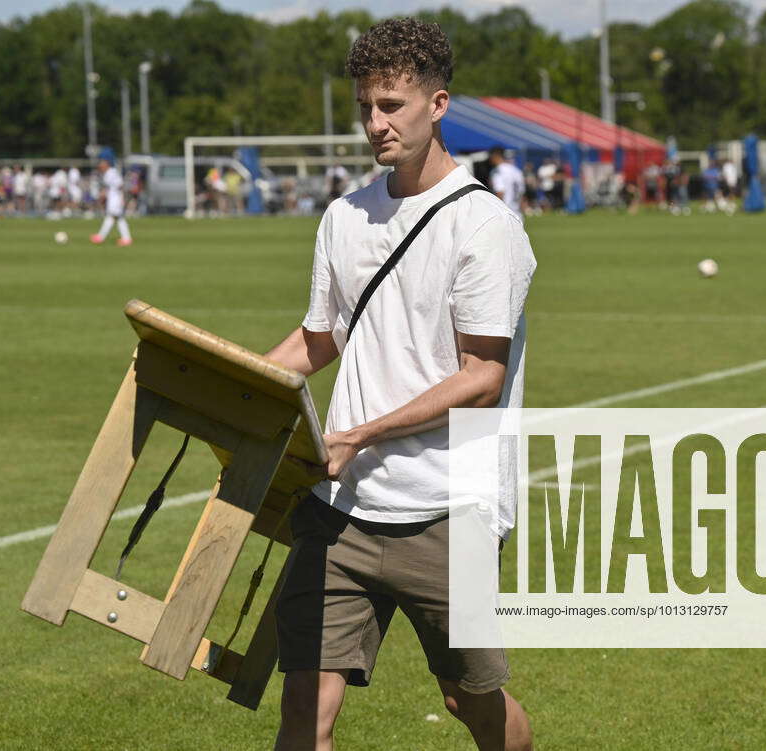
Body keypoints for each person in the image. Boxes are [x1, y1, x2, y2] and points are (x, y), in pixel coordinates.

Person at [264, 18, 535, 751]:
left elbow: (482, 377)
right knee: (303, 714)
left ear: (438, 104)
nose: (375, 124)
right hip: (341, 507)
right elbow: (320, 338)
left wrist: (362, 431)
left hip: (450, 507)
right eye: (365, 107)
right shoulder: (345, 216)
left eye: (392, 106)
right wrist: (241, 387)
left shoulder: (485, 226)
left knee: (467, 699)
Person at [90, 149, 132, 247]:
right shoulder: (109, 173)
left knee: (113, 218)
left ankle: (101, 237)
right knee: (116, 218)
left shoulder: (111, 172)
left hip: (115, 200)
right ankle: (125, 238)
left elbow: (120, 185)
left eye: (101, 162)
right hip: (114, 199)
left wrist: (122, 199)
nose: (99, 164)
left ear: (107, 162)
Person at [488, 146, 525, 220]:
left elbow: (500, 192)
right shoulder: (516, 170)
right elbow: (521, 193)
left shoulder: (497, 171)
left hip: (505, 215)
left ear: (495, 156)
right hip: (517, 214)